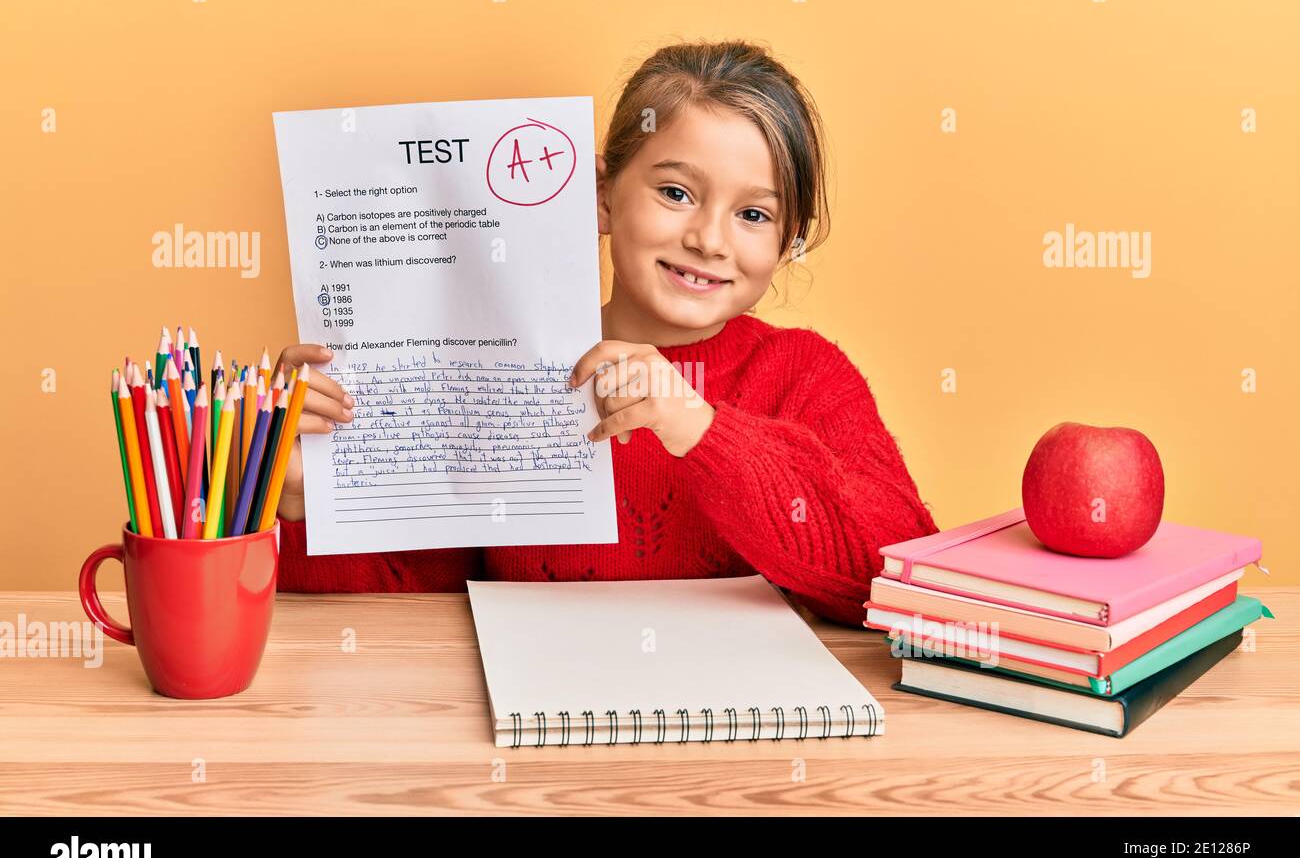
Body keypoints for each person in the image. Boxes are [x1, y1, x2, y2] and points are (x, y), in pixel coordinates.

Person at [273, 39, 938, 626]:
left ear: (789, 241)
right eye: (676, 193)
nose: (708, 239)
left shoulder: (806, 374)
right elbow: (413, 591)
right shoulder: (505, 369)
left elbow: (890, 575)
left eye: (753, 214)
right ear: (600, 196)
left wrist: (701, 428)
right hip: (540, 727)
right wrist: (308, 502)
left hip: (734, 740)